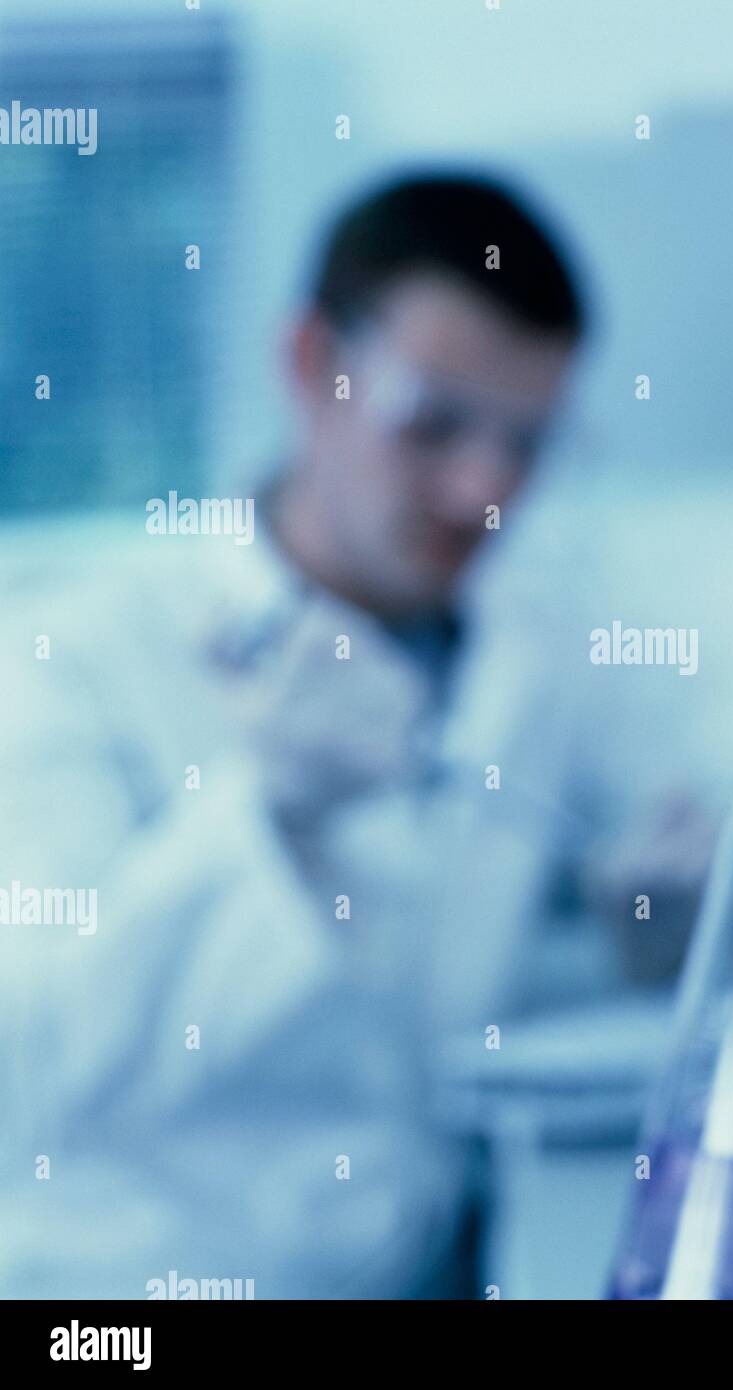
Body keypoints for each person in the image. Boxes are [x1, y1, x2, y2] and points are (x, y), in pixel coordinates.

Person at [0, 174, 595, 1298]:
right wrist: (265, 810)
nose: (482, 489)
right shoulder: (68, 656)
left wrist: (653, 910)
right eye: (433, 424)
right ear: (313, 362)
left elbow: (477, 971)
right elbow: (29, 1064)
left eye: (528, 443)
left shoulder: (529, 646)